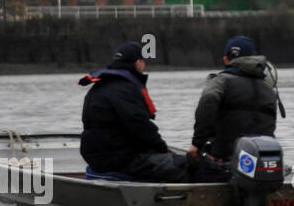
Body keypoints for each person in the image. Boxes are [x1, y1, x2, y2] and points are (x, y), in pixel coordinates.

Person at [79, 41, 190, 182]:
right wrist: (162, 149)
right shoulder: (124, 88)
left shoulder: (102, 85)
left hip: (98, 156)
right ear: (138, 63)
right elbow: (140, 126)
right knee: (186, 166)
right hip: (118, 158)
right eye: (143, 62)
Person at [189, 35, 282, 164]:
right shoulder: (268, 88)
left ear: (226, 60)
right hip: (264, 158)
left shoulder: (220, 82)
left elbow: (207, 103)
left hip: (225, 157)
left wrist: (197, 144)